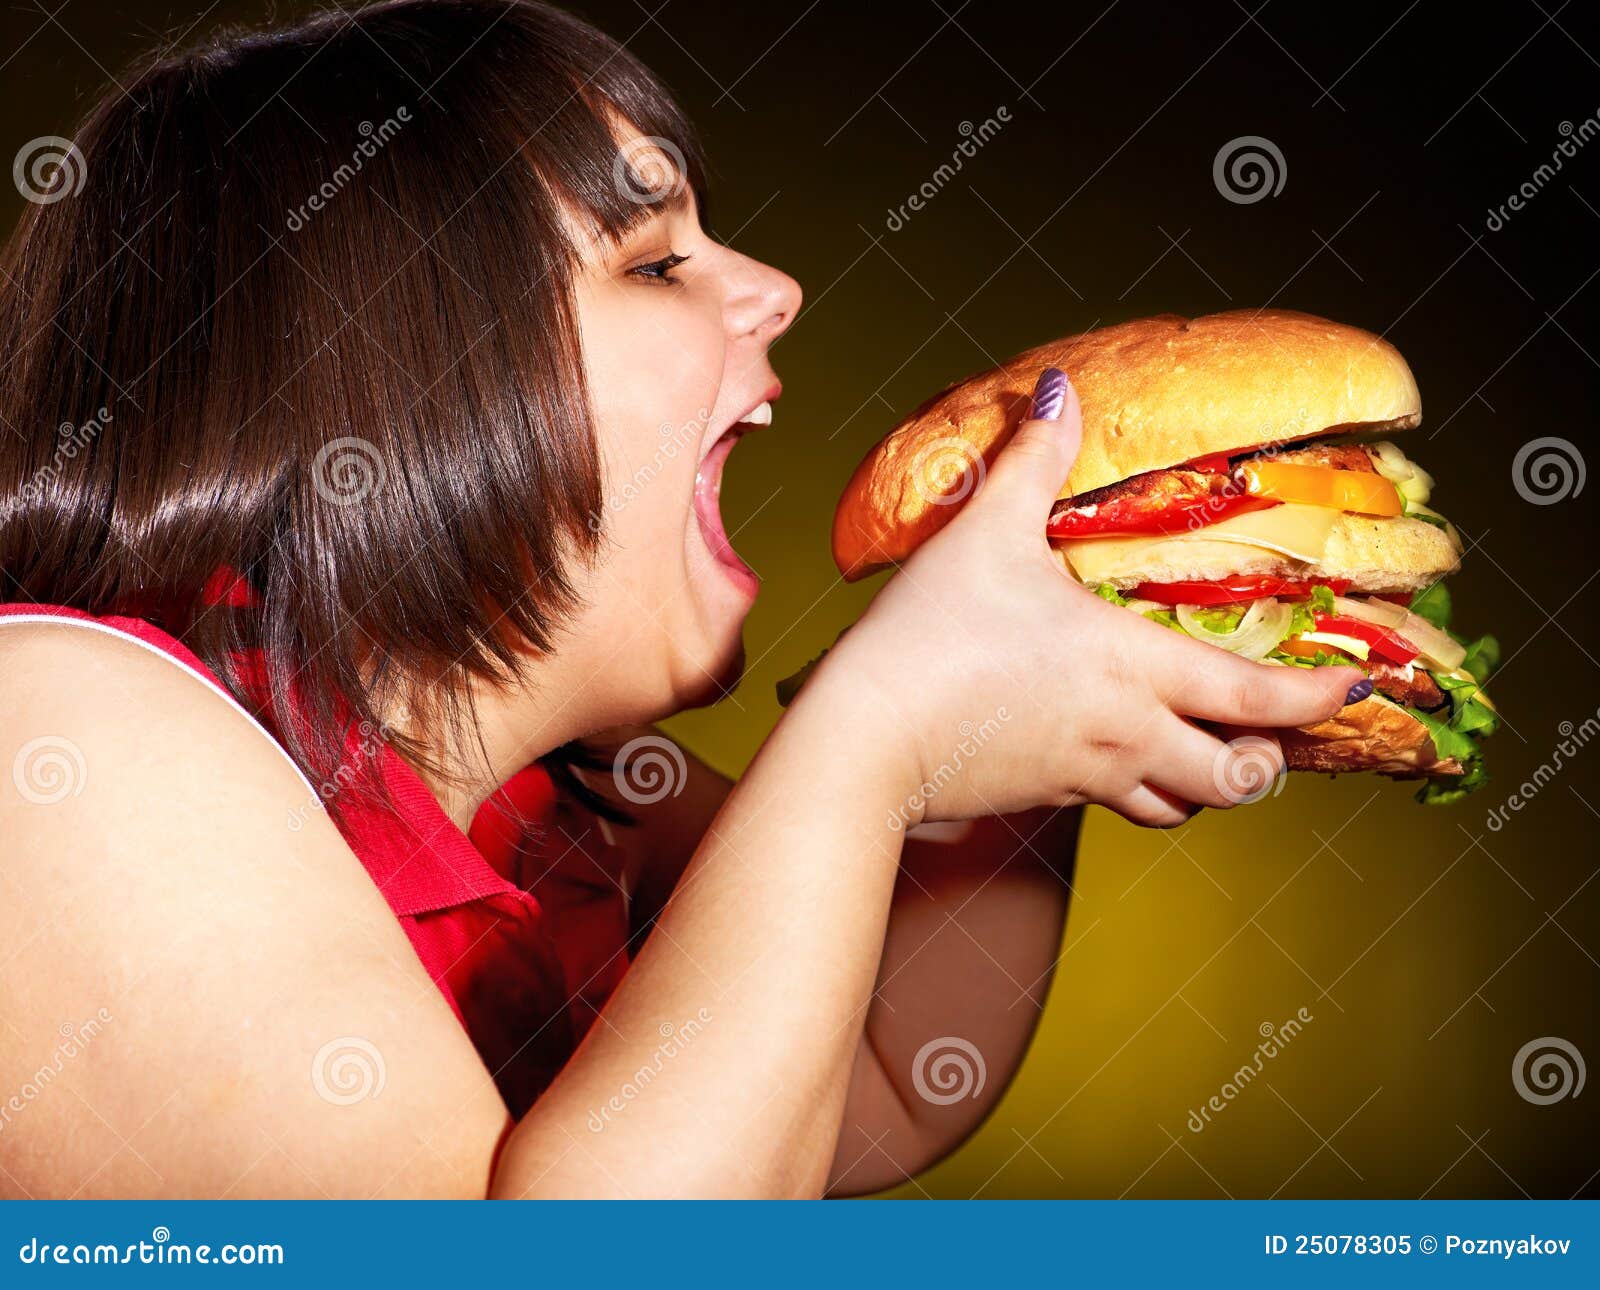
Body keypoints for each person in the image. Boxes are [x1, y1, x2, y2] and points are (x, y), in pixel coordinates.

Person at [0, 0, 1362, 1198]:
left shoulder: (569, 800)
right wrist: (873, 731)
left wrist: (1020, 707)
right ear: (391, 379)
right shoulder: (50, 728)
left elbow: (878, 1076)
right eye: (656, 261)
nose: (775, 289)